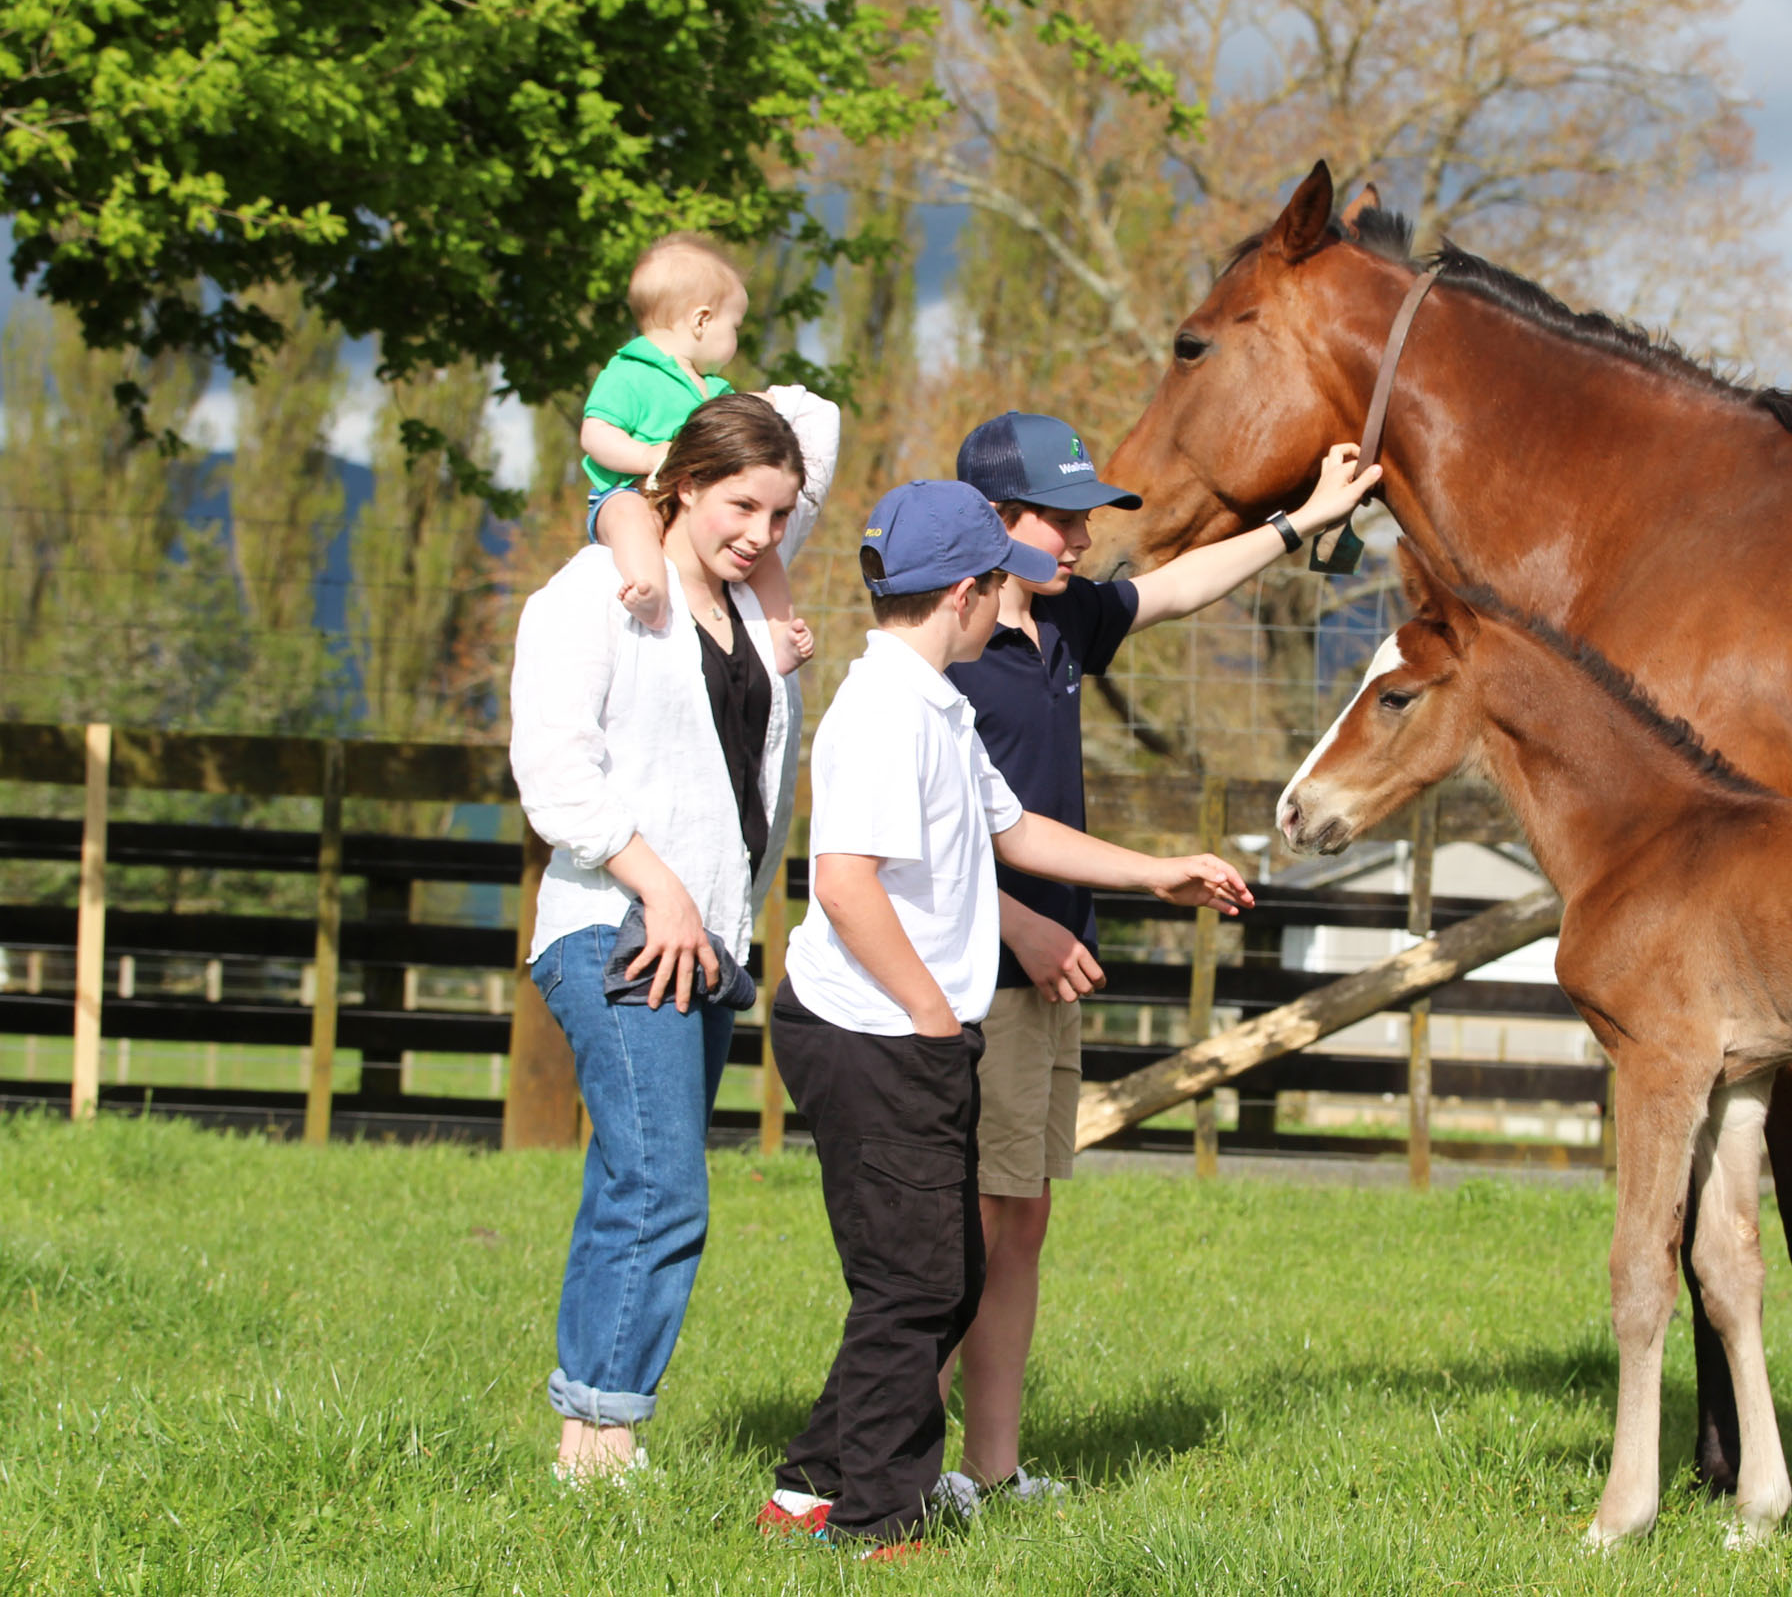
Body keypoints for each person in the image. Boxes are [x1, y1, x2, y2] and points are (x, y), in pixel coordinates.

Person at [755, 480, 1253, 1555]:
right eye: (999, 580)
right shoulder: (889, 713)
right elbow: (844, 884)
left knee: (936, 1274)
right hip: (875, 1035)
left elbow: (1014, 828)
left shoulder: (932, 700)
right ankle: (880, 1523)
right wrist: (937, 1020)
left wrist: (1156, 873)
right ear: (969, 593)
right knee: (917, 1282)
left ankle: (804, 1493)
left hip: (901, 1029)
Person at [936, 413, 1381, 1502]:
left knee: (1022, 1217)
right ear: (995, 523)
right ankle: (899, 1455)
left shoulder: (1068, 621)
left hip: (1050, 978)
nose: (1084, 539)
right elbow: (920, 838)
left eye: (1090, 519)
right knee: (956, 1233)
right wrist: (1018, 923)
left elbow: (1178, 588)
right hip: (964, 975)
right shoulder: (943, 654)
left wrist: (1302, 523)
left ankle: (992, 1470)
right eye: (1062, 519)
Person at [510, 386, 838, 1483]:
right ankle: (597, 1441)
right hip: (617, 927)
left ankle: (598, 1432)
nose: (762, 532)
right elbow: (556, 776)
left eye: (783, 514)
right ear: (684, 486)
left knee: (638, 1175)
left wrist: (711, 914)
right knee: (661, 1186)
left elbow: (812, 409)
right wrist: (661, 889)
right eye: (741, 504)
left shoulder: (749, 619)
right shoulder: (599, 592)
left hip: (705, 938)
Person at [578, 231, 814, 674]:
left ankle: (781, 632)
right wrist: (650, 459)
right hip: (630, 490)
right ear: (702, 321)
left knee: (763, 556)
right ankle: (649, 591)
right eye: (735, 327)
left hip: (682, 505)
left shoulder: (714, 390)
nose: (736, 340)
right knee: (631, 520)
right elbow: (596, 433)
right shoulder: (630, 371)